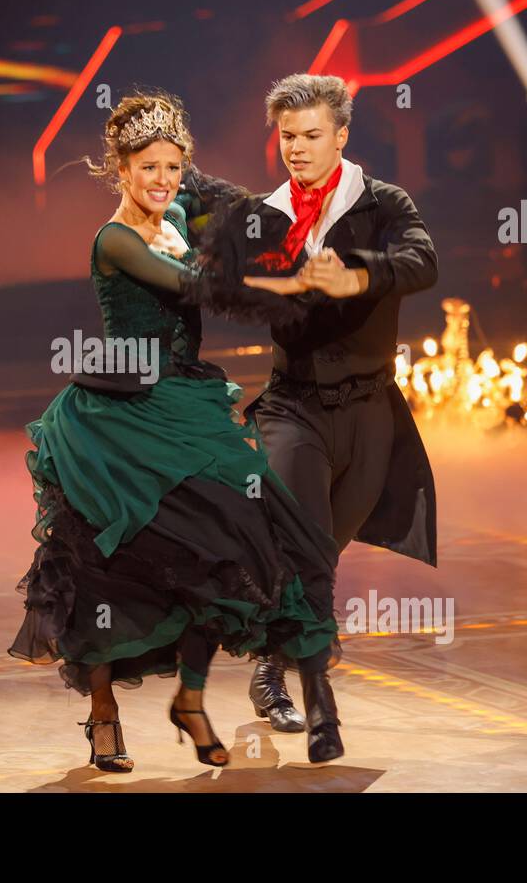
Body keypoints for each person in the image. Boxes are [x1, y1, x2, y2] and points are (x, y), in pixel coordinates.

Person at [8, 91, 345, 771]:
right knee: (104, 569)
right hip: (120, 417)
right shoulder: (117, 239)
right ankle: (104, 715)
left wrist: (261, 220)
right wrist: (281, 283)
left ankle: (190, 697)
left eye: (172, 168)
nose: (161, 180)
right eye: (148, 168)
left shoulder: (184, 210)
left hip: (185, 405)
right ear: (121, 171)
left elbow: (250, 216)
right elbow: (195, 287)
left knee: (234, 541)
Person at [181, 73, 439, 757]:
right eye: (287, 136)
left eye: (311, 135)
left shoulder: (382, 204)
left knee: (318, 552)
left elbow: (423, 260)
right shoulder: (264, 215)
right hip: (294, 408)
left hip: (369, 411)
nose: (296, 147)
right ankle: (323, 717)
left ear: (342, 133)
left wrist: (357, 275)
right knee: (306, 553)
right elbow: (228, 273)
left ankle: (269, 657)